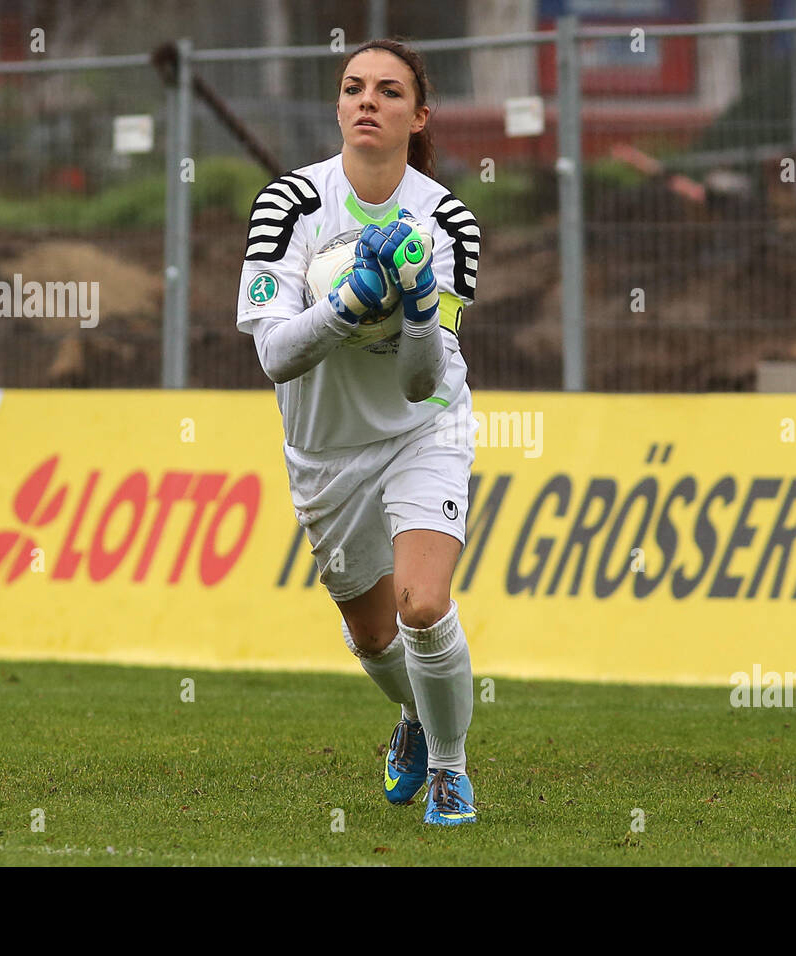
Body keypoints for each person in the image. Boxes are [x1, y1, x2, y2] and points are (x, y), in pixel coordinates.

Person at [235, 38, 481, 826]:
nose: (367, 101)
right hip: (325, 449)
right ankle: (415, 717)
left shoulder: (447, 222)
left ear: (419, 115)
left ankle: (450, 770)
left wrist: (413, 301)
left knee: (421, 605)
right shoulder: (289, 204)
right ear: (338, 107)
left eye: (388, 91)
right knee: (374, 637)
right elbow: (275, 355)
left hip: (421, 428)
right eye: (353, 88)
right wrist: (347, 304)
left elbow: (421, 378)